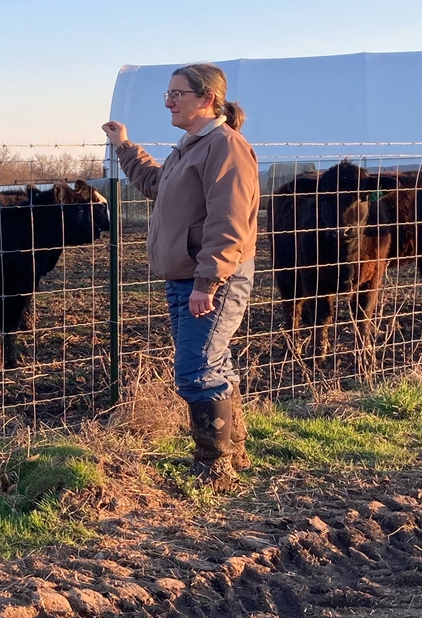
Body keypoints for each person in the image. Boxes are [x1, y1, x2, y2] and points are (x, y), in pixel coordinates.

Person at [102, 63, 259, 490]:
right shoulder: (189, 145)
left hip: (209, 279)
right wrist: (124, 145)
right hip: (186, 276)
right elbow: (155, 184)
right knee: (213, 363)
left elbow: (230, 223)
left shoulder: (225, 147)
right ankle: (235, 451)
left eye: (177, 93)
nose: (168, 101)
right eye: (167, 94)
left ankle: (214, 466)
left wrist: (207, 282)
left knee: (195, 370)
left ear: (207, 99)